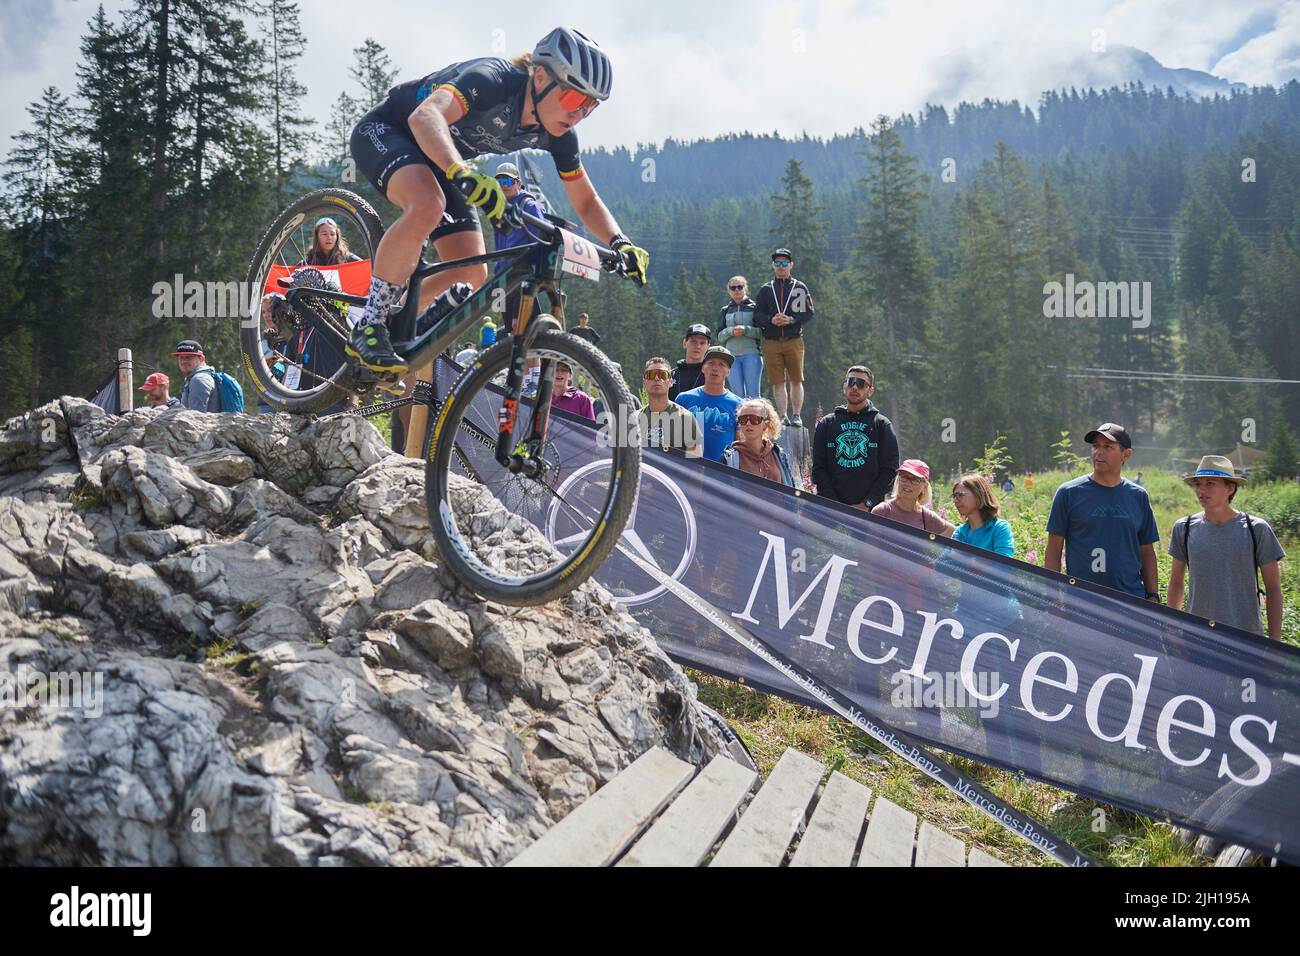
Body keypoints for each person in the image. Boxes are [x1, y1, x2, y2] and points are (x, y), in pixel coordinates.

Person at [344, 27, 649, 380]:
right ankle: (368, 321)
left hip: (440, 161)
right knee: (428, 205)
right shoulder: (492, 79)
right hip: (388, 132)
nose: (578, 114)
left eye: (589, 107)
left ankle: (395, 319)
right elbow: (424, 117)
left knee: (471, 270)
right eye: (572, 100)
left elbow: (585, 199)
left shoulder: (559, 134)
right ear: (540, 76)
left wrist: (619, 242)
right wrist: (461, 171)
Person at [1167, 455, 1286, 639]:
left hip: (1246, 637)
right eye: (1197, 484)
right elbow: (1176, 582)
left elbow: (1273, 588)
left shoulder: (1256, 529)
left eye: (1210, 483)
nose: (1201, 490)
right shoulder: (1184, 528)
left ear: (1230, 488)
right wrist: (1173, 630)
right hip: (1197, 636)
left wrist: (1275, 643)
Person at [1045, 423, 1160, 600]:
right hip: (1082, 602)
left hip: (1131, 602)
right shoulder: (1069, 493)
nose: (1099, 452)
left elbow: (1146, 551)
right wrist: (1053, 598)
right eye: (1095, 446)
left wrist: (1153, 595)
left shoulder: (1138, 496)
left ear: (1126, 454)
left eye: (1108, 447)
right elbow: (1053, 548)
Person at [811, 365, 899, 511]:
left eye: (861, 384)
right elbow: (818, 469)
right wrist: (834, 505)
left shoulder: (882, 425)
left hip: (869, 513)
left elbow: (890, 471)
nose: (854, 387)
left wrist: (867, 504)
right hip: (830, 512)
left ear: (870, 390)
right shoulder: (827, 424)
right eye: (851, 382)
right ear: (844, 386)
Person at [753, 247, 814, 425]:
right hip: (771, 342)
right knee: (778, 381)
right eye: (777, 263)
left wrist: (791, 319)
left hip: (794, 340)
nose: (781, 266)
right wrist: (772, 319)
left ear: (791, 265)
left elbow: (808, 313)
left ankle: (796, 416)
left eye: (784, 263)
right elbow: (757, 315)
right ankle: (782, 416)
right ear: (773, 265)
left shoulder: (799, 287)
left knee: (796, 379)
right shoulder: (766, 290)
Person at [676, 345, 742, 462]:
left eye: (722, 364)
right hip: (687, 470)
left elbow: (741, 445)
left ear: (728, 372)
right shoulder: (683, 399)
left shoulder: (738, 405)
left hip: (722, 474)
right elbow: (673, 438)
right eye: (711, 363)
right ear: (702, 368)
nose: (715, 368)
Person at [723, 397, 796, 487]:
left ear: (765, 425)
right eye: (743, 419)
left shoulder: (779, 455)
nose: (748, 423)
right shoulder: (729, 458)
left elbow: (791, 490)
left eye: (754, 419)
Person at [872, 459, 956, 535]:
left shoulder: (926, 516)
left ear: (924, 486)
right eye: (904, 477)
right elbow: (870, 547)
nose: (908, 483)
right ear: (898, 480)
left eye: (915, 480)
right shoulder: (882, 511)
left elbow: (954, 533)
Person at [636, 356, 701, 455]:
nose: (657, 378)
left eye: (662, 375)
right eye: (651, 375)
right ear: (644, 383)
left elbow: (697, 464)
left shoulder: (685, 418)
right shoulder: (634, 419)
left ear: (670, 382)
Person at [716, 276, 763, 399]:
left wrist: (746, 330)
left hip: (752, 354)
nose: (736, 290)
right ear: (729, 290)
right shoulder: (725, 311)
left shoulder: (755, 308)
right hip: (731, 358)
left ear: (745, 288)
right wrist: (731, 331)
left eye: (740, 287)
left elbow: (762, 332)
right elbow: (720, 336)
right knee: (737, 395)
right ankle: (738, 419)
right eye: (733, 287)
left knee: (753, 394)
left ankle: (756, 418)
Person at [951, 474, 1015, 556]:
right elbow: (944, 562)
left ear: (979, 495)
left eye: (960, 495)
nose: (956, 500)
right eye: (954, 496)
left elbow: (1004, 566)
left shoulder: (999, 528)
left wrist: (968, 562)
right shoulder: (960, 532)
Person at [173, 340, 221, 412]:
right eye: (181, 357)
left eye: (188, 357)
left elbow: (196, 417)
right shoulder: (198, 377)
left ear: (201, 359)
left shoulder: (199, 379)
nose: (183, 361)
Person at [669, 324, 711, 401]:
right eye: (693, 341)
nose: (698, 346)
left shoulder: (712, 376)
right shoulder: (671, 375)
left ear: (708, 347)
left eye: (702, 343)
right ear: (685, 343)